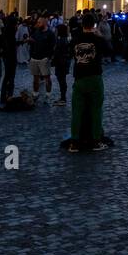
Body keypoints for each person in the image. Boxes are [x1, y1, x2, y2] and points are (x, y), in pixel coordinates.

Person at [68, 14, 111, 153]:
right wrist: (99, 35)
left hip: (79, 78)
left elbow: (69, 52)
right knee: (96, 110)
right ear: (93, 25)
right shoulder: (97, 40)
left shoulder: (75, 40)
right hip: (94, 77)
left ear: (82, 25)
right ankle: (96, 141)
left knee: (77, 111)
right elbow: (110, 50)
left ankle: (74, 142)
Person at [29, 19, 56, 105]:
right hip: (34, 58)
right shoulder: (36, 31)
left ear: (44, 23)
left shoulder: (50, 34)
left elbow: (53, 46)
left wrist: (48, 57)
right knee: (35, 78)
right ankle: (35, 93)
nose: (37, 24)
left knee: (47, 78)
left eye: (39, 22)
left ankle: (48, 95)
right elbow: (32, 40)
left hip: (44, 59)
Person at [52, 23, 72, 104]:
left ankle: (63, 98)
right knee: (62, 79)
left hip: (61, 63)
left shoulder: (61, 41)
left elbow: (58, 52)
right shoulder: (65, 39)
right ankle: (62, 97)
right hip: (63, 62)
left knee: (61, 80)